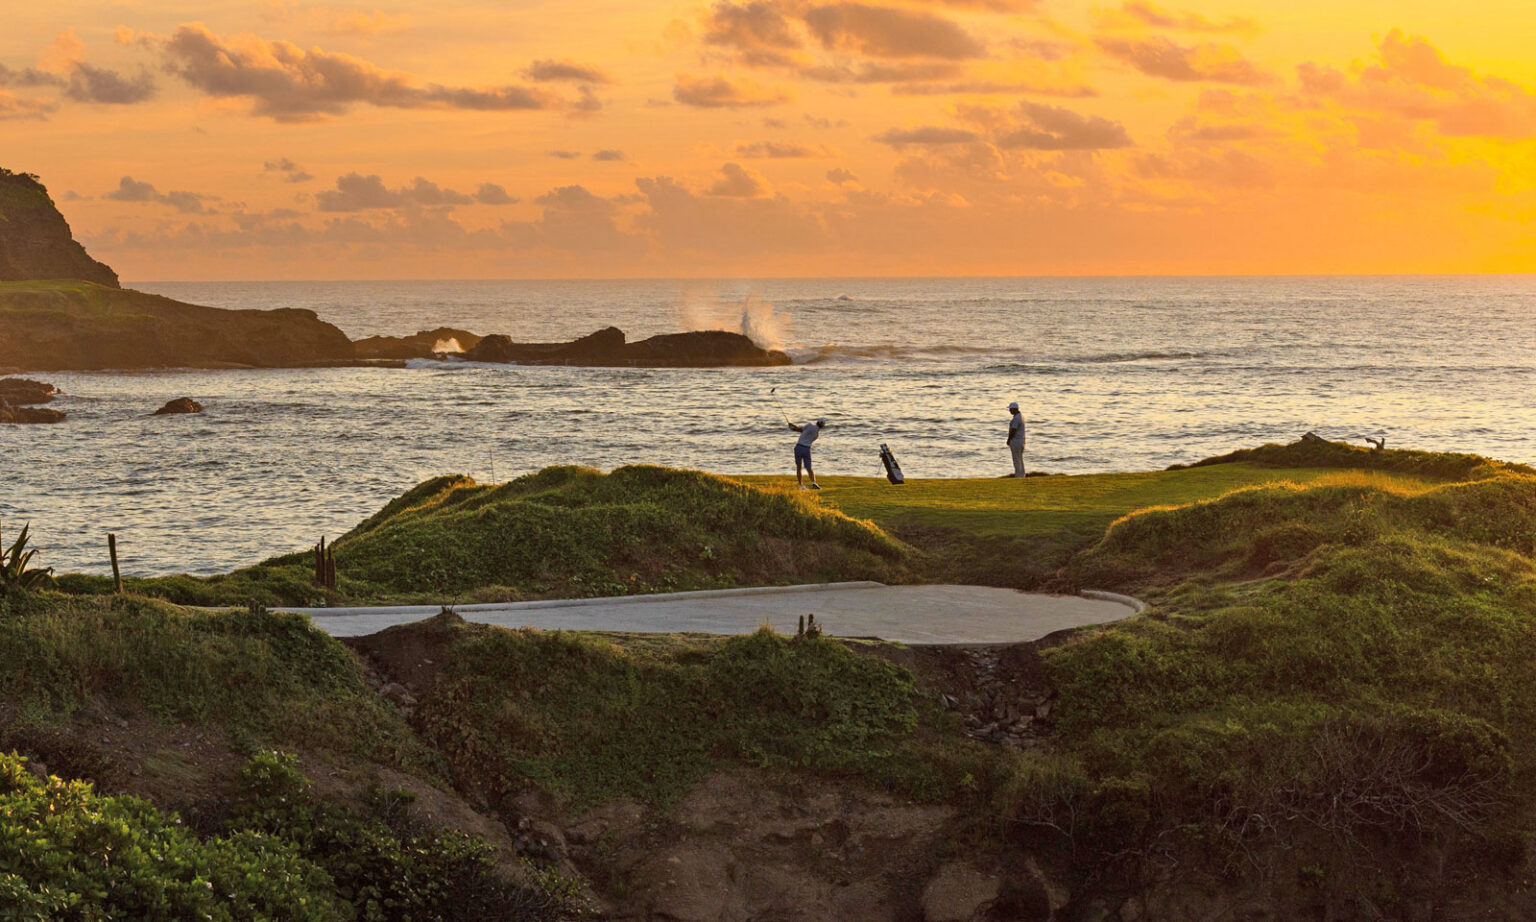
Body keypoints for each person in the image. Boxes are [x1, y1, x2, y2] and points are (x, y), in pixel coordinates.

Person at [789, 417, 828, 489]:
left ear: (817, 422)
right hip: (807, 449)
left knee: (798, 467)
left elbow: (800, 430)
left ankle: (801, 485)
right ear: (822, 426)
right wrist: (793, 427)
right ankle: (814, 482)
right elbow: (802, 431)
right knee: (809, 468)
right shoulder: (816, 435)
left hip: (798, 447)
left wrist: (792, 427)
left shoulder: (809, 425)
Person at [1006, 401, 1026, 477]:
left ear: (1014, 409)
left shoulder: (1016, 419)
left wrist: (1008, 440)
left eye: (1010, 409)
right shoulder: (1021, 416)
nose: (1010, 411)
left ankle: (1018, 476)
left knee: (1016, 460)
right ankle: (1022, 474)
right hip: (1021, 441)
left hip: (1016, 441)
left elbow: (1013, 431)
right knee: (1020, 459)